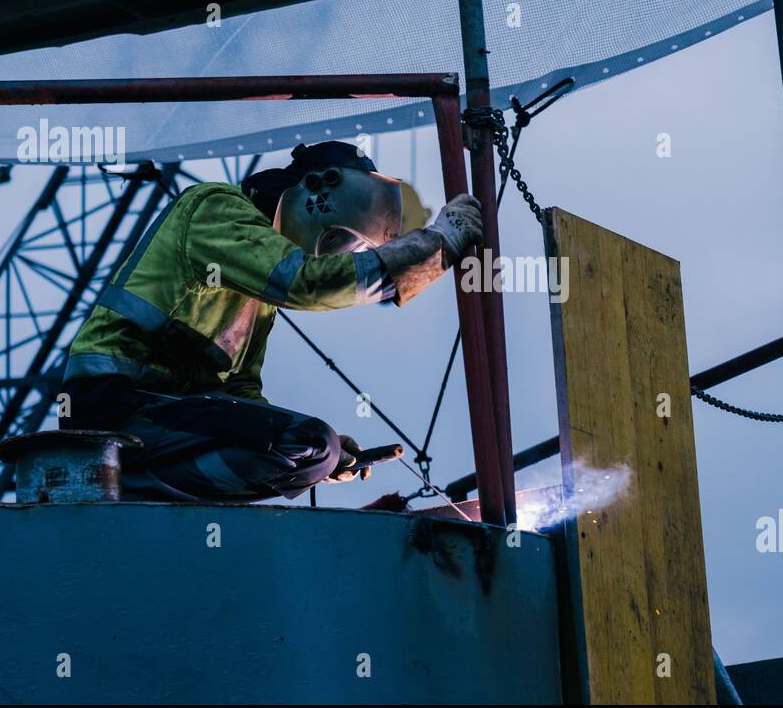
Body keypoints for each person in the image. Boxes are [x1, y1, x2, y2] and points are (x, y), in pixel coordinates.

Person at [58, 141, 482, 502]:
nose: (334, 254)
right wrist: (436, 247)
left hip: (162, 415)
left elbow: (238, 389)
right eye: (339, 242)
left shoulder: (257, 282)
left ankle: (145, 487)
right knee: (312, 443)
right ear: (318, 191)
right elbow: (305, 283)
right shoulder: (215, 210)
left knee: (311, 447)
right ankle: (130, 485)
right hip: (113, 404)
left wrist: (317, 457)